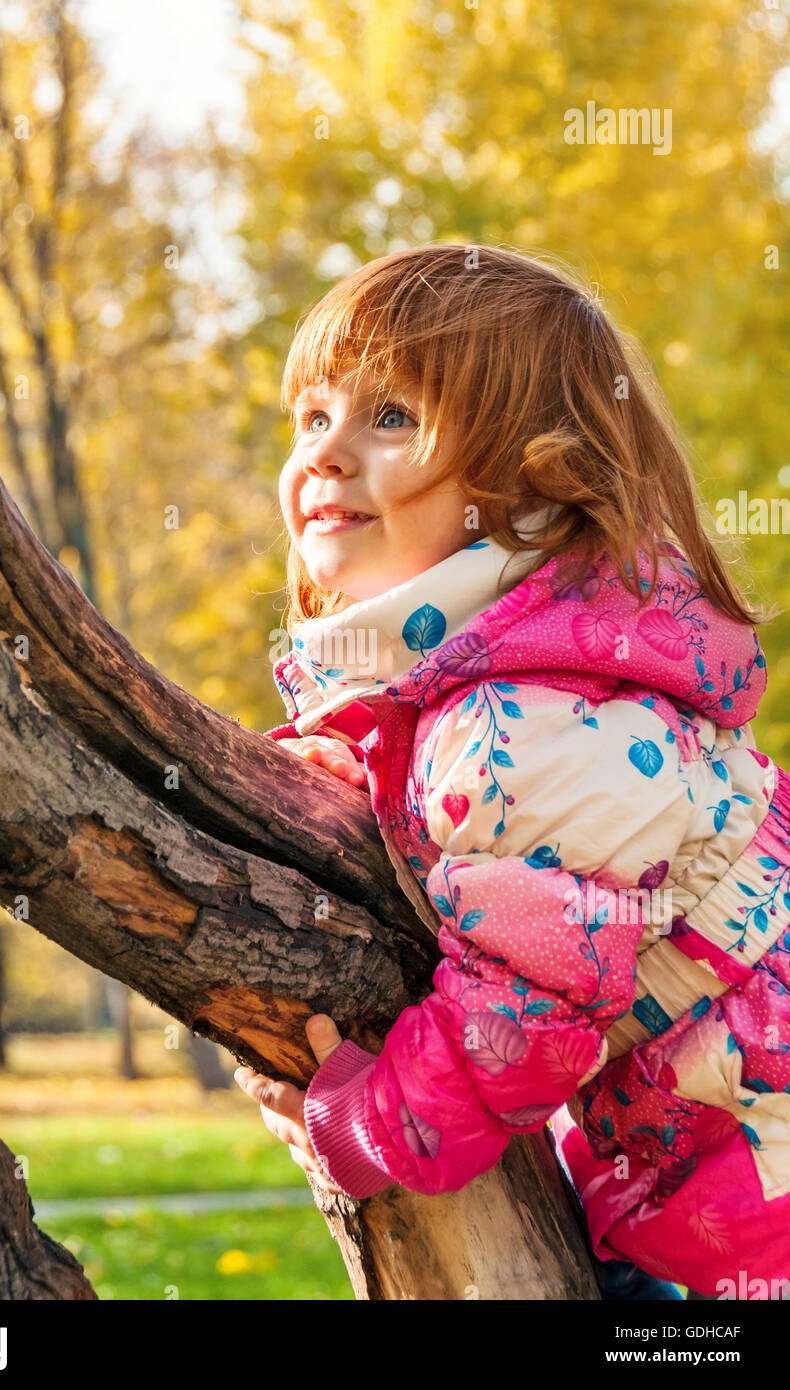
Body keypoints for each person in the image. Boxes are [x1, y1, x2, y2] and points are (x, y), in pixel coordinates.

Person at [234, 244, 789, 1301]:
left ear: (529, 487)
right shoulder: (507, 686)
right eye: (311, 417)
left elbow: (523, 1017)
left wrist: (362, 1124)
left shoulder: (530, 725)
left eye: (389, 418)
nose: (325, 454)